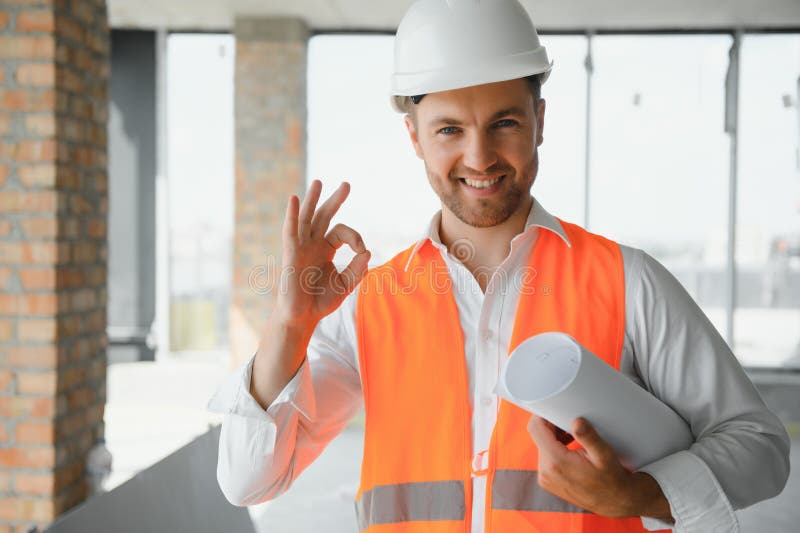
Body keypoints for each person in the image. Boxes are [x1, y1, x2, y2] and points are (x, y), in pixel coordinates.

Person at [207, 0, 790, 531]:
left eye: (504, 123)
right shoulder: (369, 304)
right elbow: (248, 480)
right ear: (414, 136)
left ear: (540, 119)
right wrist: (288, 327)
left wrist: (641, 493)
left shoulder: (626, 281)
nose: (479, 156)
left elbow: (760, 448)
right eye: (449, 130)